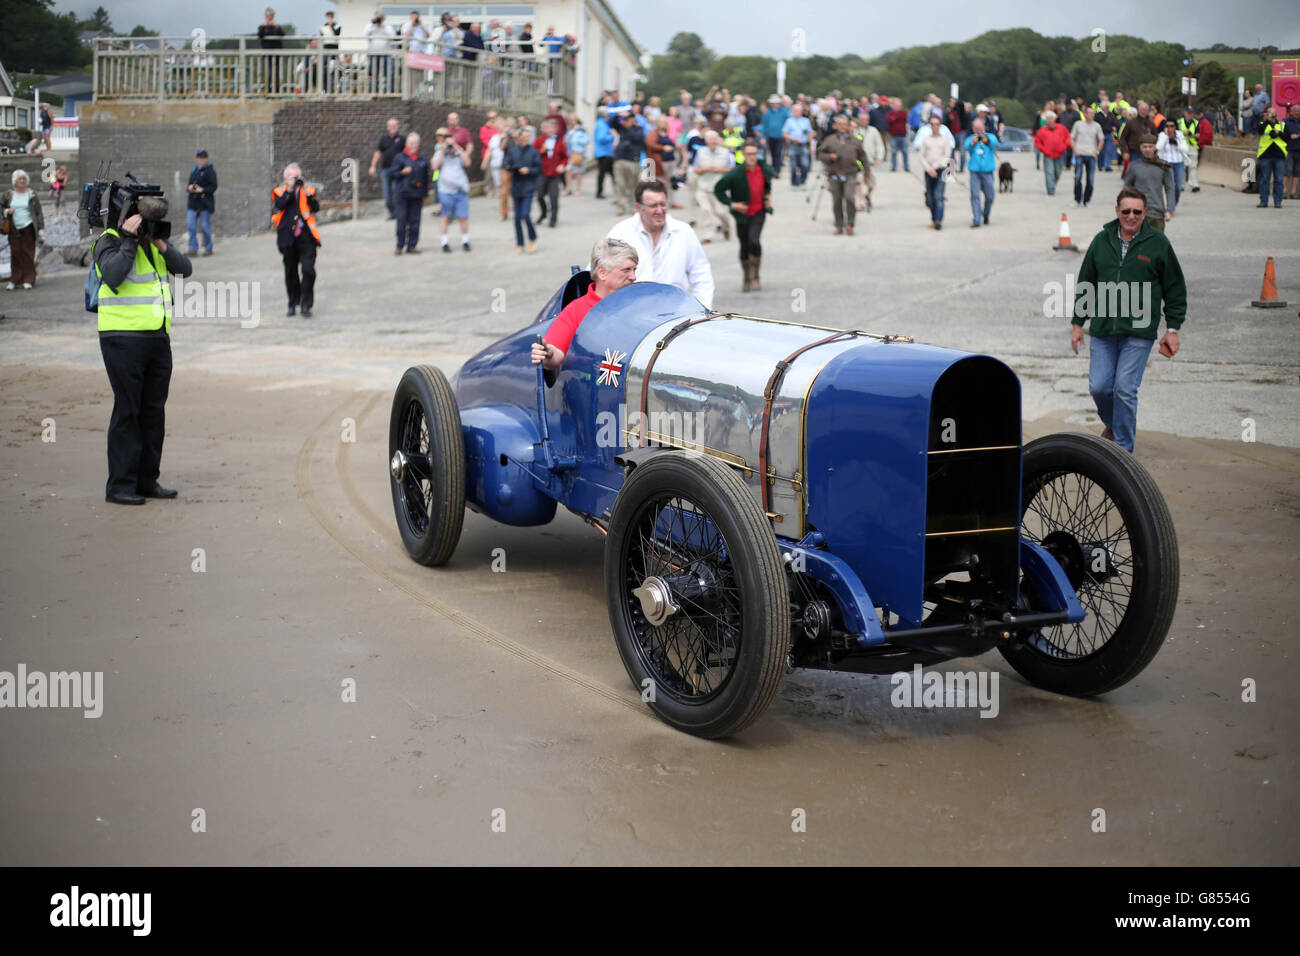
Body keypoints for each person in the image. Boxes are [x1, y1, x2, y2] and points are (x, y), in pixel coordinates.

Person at [92, 195, 193, 504]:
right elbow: (112, 275)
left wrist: (161, 243)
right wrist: (128, 240)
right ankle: (120, 485)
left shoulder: (154, 242)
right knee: (128, 411)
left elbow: (184, 269)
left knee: (153, 412)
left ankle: (147, 481)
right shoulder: (108, 241)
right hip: (122, 338)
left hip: (157, 338)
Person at [1070, 187, 1185, 453]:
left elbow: (1175, 288)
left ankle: (1123, 452)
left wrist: (1173, 328)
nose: (1131, 216)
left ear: (1145, 213)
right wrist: (1078, 324)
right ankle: (1114, 425)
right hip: (1103, 329)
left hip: (1138, 331)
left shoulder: (1158, 244)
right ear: (1117, 212)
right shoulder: (1101, 241)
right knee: (1099, 387)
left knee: (1124, 389)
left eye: (1137, 211)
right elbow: (1086, 283)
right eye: (1126, 211)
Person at [531, 238, 640, 370]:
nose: (634, 277)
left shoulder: (639, 304)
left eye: (634, 269)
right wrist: (548, 353)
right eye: (626, 270)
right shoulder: (576, 310)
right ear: (602, 273)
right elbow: (556, 355)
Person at [608, 179, 714, 308]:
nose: (660, 211)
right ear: (639, 208)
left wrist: (702, 308)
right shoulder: (621, 233)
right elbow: (598, 275)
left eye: (663, 204)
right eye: (653, 206)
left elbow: (702, 274)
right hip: (633, 313)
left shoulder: (683, 232)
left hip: (676, 313)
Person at [712, 143, 772, 292]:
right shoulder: (736, 173)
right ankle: (746, 276)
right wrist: (733, 205)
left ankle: (755, 276)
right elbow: (718, 189)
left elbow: (768, 182)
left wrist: (767, 196)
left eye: (754, 154)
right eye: (749, 154)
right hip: (742, 215)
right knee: (744, 245)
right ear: (743, 155)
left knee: (754, 240)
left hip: (759, 211)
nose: (752, 157)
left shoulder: (763, 169)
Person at [271, 163, 321, 316]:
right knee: (290, 272)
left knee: (308, 270)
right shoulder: (279, 191)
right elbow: (280, 205)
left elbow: (315, 207)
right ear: (285, 179)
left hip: (306, 237)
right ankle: (293, 303)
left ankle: (306, 305)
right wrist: (291, 190)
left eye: (297, 177)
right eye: (292, 177)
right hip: (287, 237)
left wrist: (305, 191)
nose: (295, 180)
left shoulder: (307, 191)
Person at [817, 115, 868, 236]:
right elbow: (820, 155)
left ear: (848, 126)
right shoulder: (829, 140)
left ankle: (850, 224)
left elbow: (863, 158)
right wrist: (830, 157)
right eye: (840, 125)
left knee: (850, 197)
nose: (842, 127)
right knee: (836, 201)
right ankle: (839, 225)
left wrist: (866, 173)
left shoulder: (855, 140)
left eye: (845, 125)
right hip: (834, 174)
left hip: (850, 173)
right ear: (836, 126)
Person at [431, 126, 473, 251]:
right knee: (445, 217)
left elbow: (467, 162)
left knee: (463, 217)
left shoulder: (458, 153)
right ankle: (444, 242)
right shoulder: (439, 152)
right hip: (445, 191)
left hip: (460, 190)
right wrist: (443, 151)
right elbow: (434, 166)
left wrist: (457, 148)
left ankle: (465, 240)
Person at [2, 170, 44, 290]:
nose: (22, 181)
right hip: (14, 228)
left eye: (24, 179)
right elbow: (1, 206)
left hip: (29, 227)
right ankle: (15, 280)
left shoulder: (31, 194)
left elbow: (38, 213)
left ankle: (28, 279)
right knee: (15, 253)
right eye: (20, 179)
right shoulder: (8, 195)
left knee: (28, 254)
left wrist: (41, 228)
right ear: (15, 180)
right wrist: (6, 211)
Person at [1122, 135, 1175, 231]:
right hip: (1137, 214)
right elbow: (1126, 188)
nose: (1147, 149)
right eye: (1144, 147)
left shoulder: (1163, 166)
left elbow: (1170, 189)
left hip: (1157, 213)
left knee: (1157, 244)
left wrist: (1170, 209)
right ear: (1140, 148)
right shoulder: (1134, 166)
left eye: (1150, 147)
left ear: (1155, 147)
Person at [390, 132, 431, 253]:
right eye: (411, 143)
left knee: (415, 221)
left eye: (416, 143)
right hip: (402, 194)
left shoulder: (422, 158)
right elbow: (392, 174)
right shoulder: (399, 157)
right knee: (402, 220)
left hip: (417, 194)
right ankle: (399, 245)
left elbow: (426, 178)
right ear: (407, 144)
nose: (414, 146)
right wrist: (402, 172)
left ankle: (412, 245)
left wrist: (425, 195)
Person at [693, 129, 734, 243]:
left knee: (721, 212)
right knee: (706, 211)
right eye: (711, 140)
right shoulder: (700, 152)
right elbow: (695, 169)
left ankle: (726, 227)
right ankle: (707, 235)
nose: (713, 141)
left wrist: (721, 170)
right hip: (703, 187)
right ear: (706, 142)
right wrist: (703, 169)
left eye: (715, 139)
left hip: (719, 188)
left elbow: (732, 169)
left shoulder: (726, 153)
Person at [505, 128, 541, 253]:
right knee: (516, 217)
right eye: (524, 136)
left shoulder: (533, 152)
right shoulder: (513, 151)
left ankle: (532, 238)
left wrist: (529, 170)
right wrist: (515, 168)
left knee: (525, 214)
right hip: (516, 187)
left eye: (528, 136)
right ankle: (519, 243)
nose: (526, 138)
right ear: (519, 137)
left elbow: (538, 169)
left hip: (528, 187)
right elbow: (507, 165)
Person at [918, 112, 952, 230]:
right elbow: (921, 156)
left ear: (940, 126)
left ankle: (938, 220)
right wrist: (928, 168)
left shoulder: (945, 140)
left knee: (939, 196)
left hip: (941, 170)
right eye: (932, 124)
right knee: (931, 198)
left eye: (937, 124)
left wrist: (935, 166)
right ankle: (933, 218)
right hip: (929, 171)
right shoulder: (926, 140)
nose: (934, 126)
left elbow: (947, 156)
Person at [964, 118, 999, 227]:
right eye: (975, 128)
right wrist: (973, 142)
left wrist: (986, 140)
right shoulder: (970, 138)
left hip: (987, 172)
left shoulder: (990, 136)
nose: (978, 130)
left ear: (984, 127)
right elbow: (967, 147)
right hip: (974, 172)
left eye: (979, 128)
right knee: (975, 196)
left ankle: (986, 214)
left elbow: (994, 143)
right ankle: (976, 220)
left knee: (990, 196)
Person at [533, 118, 568, 228]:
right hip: (542, 173)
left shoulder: (560, 141)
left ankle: (553, 219)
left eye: (551, 128)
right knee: (539, 196)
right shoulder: (539, 141)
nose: (549, 130)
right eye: (547, 127)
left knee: (554, 197)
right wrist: (541, 151)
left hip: (554, 175)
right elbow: (532, 156)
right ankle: (544, 213)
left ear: (555, 129)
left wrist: (563, 165)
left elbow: (565, 157)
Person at [369, 117, 405, 220]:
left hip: (398, 170)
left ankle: (399, 212)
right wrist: (373, 166)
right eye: (391, 126)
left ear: (398, 127)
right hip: (386, 170)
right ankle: (393, 213)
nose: (393, 127)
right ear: (387, 127)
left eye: (395, 125)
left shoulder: (402, 139)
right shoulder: (383, 139)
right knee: (387, 196)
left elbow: (407, 154)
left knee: (396, 191)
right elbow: (378, 153)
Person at [185, 149, 217, 256]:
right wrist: (190, 188)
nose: (201, 160)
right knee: (191, 225)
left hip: (205, 203)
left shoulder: (210, 171)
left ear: (206, 159)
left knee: (204, 226)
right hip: (193, 202)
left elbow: (214, 186)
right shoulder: (194, 170)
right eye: (199, 158)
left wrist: (202, 190)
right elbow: (189, 184)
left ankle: (208, 248)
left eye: (203, 158)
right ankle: (193, 248)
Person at [612, 112, 644, 215]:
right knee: (620, 184)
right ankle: (621, 206)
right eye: (625, 120)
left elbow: (637, 138)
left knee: (633, 185)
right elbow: (612, 123)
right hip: (620, 159)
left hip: (633, 161)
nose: (625, 122)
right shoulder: (621, 128)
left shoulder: (638, 129)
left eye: (628, 120)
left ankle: (634, 206)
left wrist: (630, 127)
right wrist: (618, 115)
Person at [1255, 107, 1287, 209]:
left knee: (1279, 180)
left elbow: (1287, 137)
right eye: (1269, 113)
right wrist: (1267, 121)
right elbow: (1260, 132)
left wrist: (1279, 133)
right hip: (1266, 156)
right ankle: (1263, 201)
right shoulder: (1262, 124)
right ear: (1266, 114)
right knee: (1264, 179)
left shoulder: (1282, 125)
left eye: (1273, 113)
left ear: (1276, 114)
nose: (1271, 115)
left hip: (1279, 156)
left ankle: (1278, 202)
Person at [1070, 107, 1103, 207]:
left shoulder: (1097, 126)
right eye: (1089, 113)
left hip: (1091, 154)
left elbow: (1101, 140)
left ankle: (1087, 200)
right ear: (1085, 114)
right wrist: (1075, 150)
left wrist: (1096, 151)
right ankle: (1077, 200)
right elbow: (1071, 138)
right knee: (1077, 177)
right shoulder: (1078, 124)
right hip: (1080, 153)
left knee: (1090, 179)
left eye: (1093, 113)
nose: (1092, 115)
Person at [1034, 110, 1070, 195]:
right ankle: (1051, 190)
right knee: (1049, 172)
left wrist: (1064, 146)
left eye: (1051, 118)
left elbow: (1068, 138)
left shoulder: (1062, 128)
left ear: (1054, 119)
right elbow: (1037, 141)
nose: (1050, 120)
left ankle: (1052, 184)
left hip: (1060, 154)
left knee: (1058, 172)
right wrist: (1043, 149)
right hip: (1048, 155)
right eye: (1048, 119)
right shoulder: (1042, 130)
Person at [1154, 120, 1188, 210]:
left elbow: (1186, 149)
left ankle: (1174, 204)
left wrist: (1177, 144)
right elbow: (1158, 147)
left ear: (1175, 127)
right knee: (1171, 185)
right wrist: (1166, 137)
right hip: (1167, 163)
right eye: (1167, 126)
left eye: (1172, 126)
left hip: (1179, 162)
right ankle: (1171, 207)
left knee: (1178, 186)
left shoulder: (1179, 135)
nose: (1169, 128)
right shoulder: (1162, 135)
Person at [782, 103, 814, 187]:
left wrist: (811, 145)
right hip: (793, 145)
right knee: (793, 165)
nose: (797, 112)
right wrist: (792, 139)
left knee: (805, 164)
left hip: (803, 145)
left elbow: (810, 133)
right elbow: (784, 133)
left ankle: (802, 181)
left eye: (798, 110)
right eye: (795, 110)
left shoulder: (805, 121)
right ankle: (794, 182)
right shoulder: (789, 121)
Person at [257, 8, 285, 94]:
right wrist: (263, 26)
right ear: (266, 16)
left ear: (273, 16)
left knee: (276, 73)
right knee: (268, 73)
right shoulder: (262, 27)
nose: (269, 17)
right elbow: (260, 35)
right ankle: (268, 90)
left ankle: (276, 90)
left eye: (271, 15)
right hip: (267, 52)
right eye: (268, 16)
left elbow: (283, 35)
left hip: (276, 52)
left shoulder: (277, 26)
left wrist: (278, 27)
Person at [593, 107, 615, 199]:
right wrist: (612, 136)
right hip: (604, 153)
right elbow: (601, 138)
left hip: (604, 152)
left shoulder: (601, 124)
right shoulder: (602, 124)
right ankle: (599, 192)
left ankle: (600, 191)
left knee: (608, 173)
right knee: (604, 173)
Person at [564, 116, 589, 196]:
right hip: (571, 154)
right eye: (571, 120)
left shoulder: (581, 129)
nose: (572, 122)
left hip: (579, 153)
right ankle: (568, 188)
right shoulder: (569, 130)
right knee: (568, 171)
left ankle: (578, 189)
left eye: (574, 120)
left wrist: (576, 141)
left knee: (578, 172)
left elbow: (586, 140)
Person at [886, 97, 910, 171]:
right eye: (896, 105)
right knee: (893, 152)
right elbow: (889, 120)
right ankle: (894, 166)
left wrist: (895, 118)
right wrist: (896, 118)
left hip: (903, 135)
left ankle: (906, 167)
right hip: (894, 135)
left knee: (905, 152)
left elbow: (904, 117)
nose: (898, 106)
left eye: (899, 105)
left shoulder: (904, 112)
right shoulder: (890, 113)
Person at [1284, 102, 1300, 200]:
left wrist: (1298, 135)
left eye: (1299, 111)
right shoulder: (1285, 121)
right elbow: (1282, 135)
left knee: (1297, 172)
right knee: (1287, 171)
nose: (1298, 113)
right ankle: (1285, 191)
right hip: (1289, 149)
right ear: (1292, 112)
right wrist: (1289, 136)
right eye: (1296, 111)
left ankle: (1294, 192)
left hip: (1299, 150)